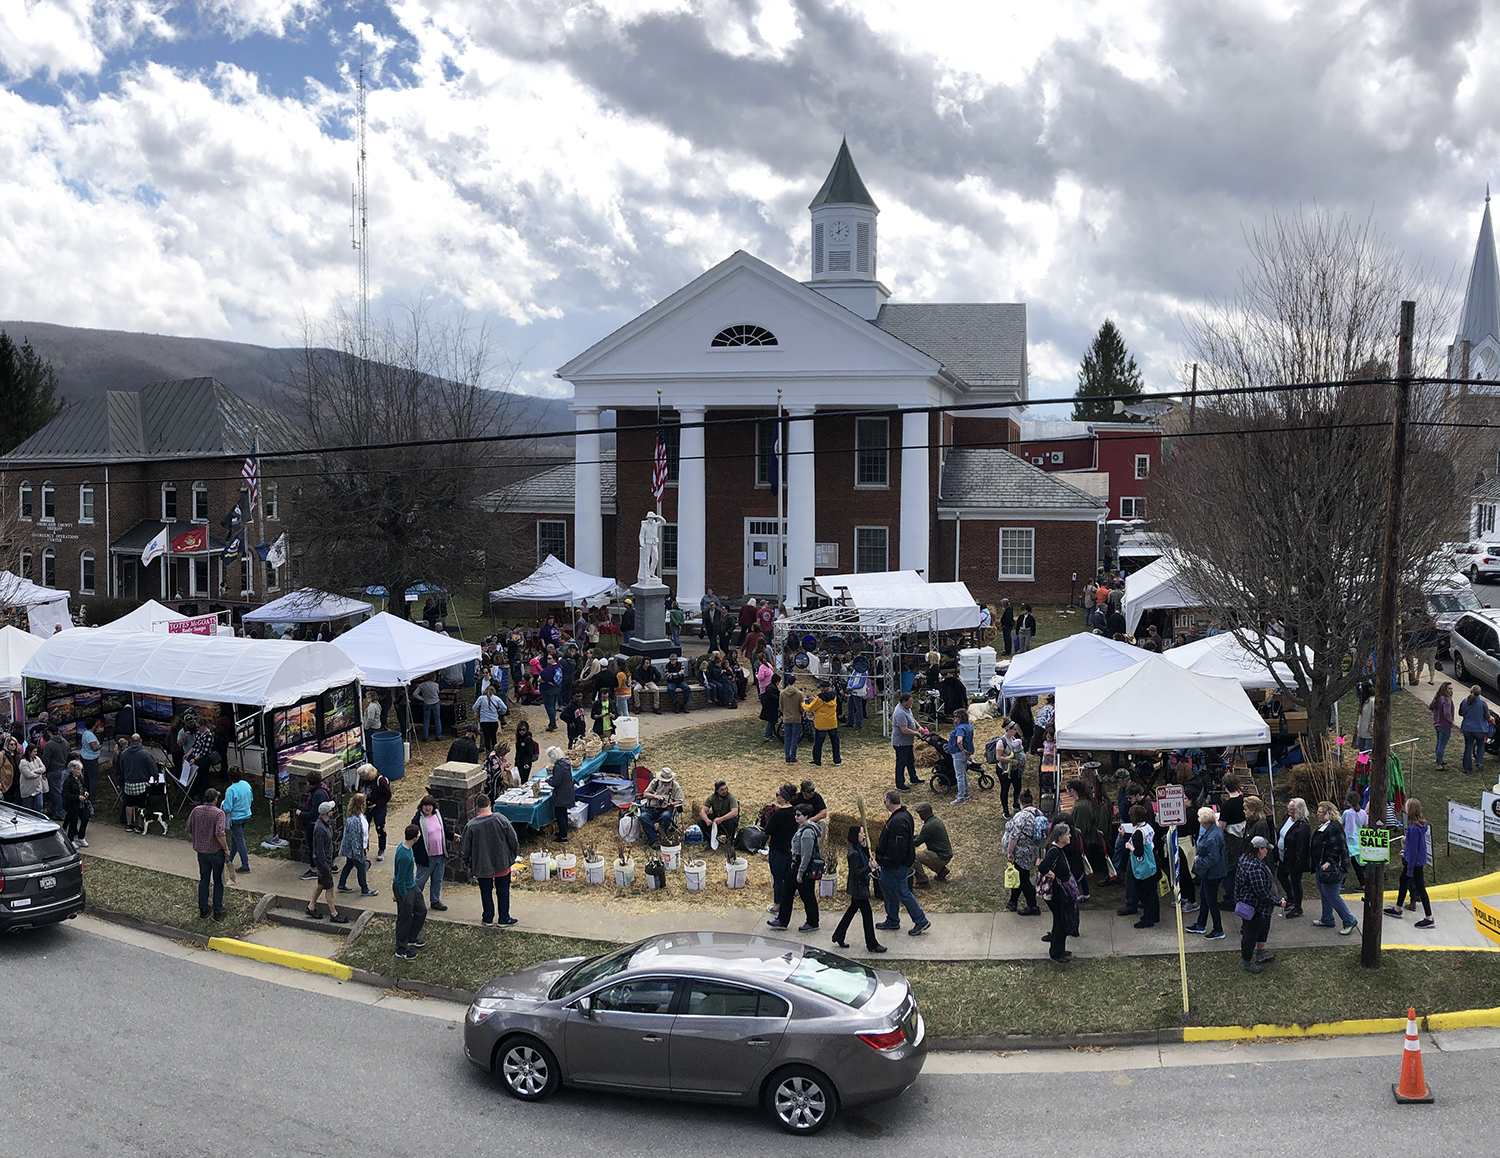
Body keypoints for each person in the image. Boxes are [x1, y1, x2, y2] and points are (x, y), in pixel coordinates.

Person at [875, 790, 930, 936]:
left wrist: (885, 861)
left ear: (889, 802)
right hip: (896, 863)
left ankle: (920, 920)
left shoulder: (898, 821)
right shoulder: (904, 816)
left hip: (896, 865)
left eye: (885, 802)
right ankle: (892, 919)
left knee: (902, 891)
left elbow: (897, 848)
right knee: (889, 890)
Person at [463, 793, 520, 927]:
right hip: (502, 863)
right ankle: (504, 918)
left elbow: (465, 848)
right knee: (503, 892)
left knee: (486, 892)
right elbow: (513, 840)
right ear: (490, 804)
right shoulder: (501, 819)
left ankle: (488, 918)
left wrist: (468, 862)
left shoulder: (471, 826)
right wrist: (512, 856)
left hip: (482, 866)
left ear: (477, 807)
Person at [831, 823, 886, 952]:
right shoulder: (854, 854)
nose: (863, 835)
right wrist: (870, 868)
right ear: (856, 836)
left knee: (851, 910)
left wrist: (866, 846)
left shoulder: (859, 848)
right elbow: (857, 873)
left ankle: (839, 934)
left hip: (858, 886)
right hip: (858, 888)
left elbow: (865, 856)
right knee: (867, 914)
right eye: (861, 833)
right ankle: (872, 943)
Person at [768, 803, 822, 932]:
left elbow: (806, 855)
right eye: (795, 815)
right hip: (797, 864)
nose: (796, 817)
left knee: (807, 895)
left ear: (806, 816)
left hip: (804, 867)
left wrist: (800, 872)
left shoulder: (808, 833)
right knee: (787, 892)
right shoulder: (802, 828)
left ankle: (813, 922)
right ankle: (782, 920)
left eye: (799, 815)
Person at [1312, 800, 1358, 935]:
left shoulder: (1334, 827)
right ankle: (1327, 918)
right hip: (1322, 866)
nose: (1318, 815)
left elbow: (1338, 847)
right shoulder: (1327, 826)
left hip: (1333, 868)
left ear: (1327, 813)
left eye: (1320, 812)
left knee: (1332, 894)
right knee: (1324, 890)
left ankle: (1349, 920)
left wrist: (1329, 862)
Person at [1387, 798, 1434, 928]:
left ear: (1411, 810)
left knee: (1420, 887)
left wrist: (1409, 869)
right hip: (1417, 860)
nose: (1405, 809)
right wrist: (1406, 853)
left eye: (1406, 807)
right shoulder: (1421, 825)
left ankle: (1429, 917)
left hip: (1414, 862)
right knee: (1403, 881)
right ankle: (1397, 908)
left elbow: (1413, 850)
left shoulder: (1413, 829)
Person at [1237, 835, 1282, 973]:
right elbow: (1261, 892)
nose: (1267, 852)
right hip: (1256, 908)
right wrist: (1278, 902)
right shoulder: (1254, 867)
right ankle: (1246, 963)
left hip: (1260, 908)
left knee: (1263, 929)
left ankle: (1261, 953)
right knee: (1250, 935)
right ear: (1260, 849)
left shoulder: (1246, 859)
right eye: (1266, 849)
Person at [185, 787, 230, 920]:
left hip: (201, 852)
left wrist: (197, 839)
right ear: (215, 799)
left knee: (204, 880)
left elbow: (189, 828)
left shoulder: (196, 811)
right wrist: (226, 849)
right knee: (218, 881)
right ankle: (217, 911)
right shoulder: (218, 814)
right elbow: (220, 834)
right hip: (216, 853)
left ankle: (203, 908)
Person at [1187, 806, 1228, 939]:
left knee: (1211, 900)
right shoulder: (1215, 831)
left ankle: (1218, 929)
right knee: (1204, 897)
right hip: (1212, 872)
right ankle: (1201, 924)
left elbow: (1212, 858)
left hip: (1212, 873)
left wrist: (1198, 860)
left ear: (1203, 822)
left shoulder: (1211, 837)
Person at [409, 795, 455, 910]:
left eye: (429, 805)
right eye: (425, 805)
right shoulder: (417, 820)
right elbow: (413, 838)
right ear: (421, 806)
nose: (427, 808)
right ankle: (413, 902)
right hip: (426, 857)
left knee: (437, 879)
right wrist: (417, 855)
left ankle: (435, 901)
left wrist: (453, 836)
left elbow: (444, 829)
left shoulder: (437, 815)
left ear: (433, 806)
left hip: (439, 854)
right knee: (420, 881)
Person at [1038, 822, 1076, 963]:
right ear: (1060, 838)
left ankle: (1059, 949)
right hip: (1057, 893)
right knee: (1061, 922)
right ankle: (1056, 953)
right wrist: (1051, 875)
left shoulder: (1057, 849)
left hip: (1060, 892)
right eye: (1067, 834)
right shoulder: (1054, 851)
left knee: (1060, 920)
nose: (1070, 836)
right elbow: (1042, 867)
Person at [1004, 790, 1045, 914]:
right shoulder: (1038, 813)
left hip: (1022, 853)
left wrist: (1009, 852)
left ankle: (1033, 906)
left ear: (1020, 802)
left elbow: (1013, 837)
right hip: (1033, 851)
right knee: (1020, 875)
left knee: (1023, 879)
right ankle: (1013, 901)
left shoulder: (1021, 816)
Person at [306, 800, 347, 922]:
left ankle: (311, 906)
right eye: (330, 810)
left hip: (325, 862)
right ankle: (334, 914)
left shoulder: (325, 825)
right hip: (323, 863)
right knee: (330, 888)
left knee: (320, 885)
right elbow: (319, 850)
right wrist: (325, 865)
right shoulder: (320, 829)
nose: (332, 812)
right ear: (327, 813)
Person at [392, 823, 427, 960]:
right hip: (405, 889)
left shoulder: (405, 846)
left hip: (411, 886)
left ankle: (411, 937)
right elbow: (399, 879)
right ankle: (401, 948)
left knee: (421, 910)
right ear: (414, 837)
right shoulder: (404, 856)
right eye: (418, 834)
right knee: (404, 918)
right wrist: (403, 895)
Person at [764, 784, 797, 914]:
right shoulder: (794, 811)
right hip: (789, 849)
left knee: (777, 879)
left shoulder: (779, 814)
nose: (776, 796)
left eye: (778, 794)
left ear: (783, 797)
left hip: (777, 849)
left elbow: (768, 830)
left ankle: (777, 904)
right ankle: (787, 902)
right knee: (787, 878)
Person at [1276, 797, 1311, 919]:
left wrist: (1298, 863)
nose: (1289, 811)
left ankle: (1298, 907)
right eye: (1289, 808)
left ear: (1299, 810)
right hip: (1283, 856)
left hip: (1294, 859)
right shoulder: (1287, 818)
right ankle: (1290, 897)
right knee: (1281, 875)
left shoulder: (1303, 826)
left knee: (1296, 882)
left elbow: (1302, 847)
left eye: (1292, 809)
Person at [337, 792, 377, 895]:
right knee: (362, 867)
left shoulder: (361, 815)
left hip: (359, 847)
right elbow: (354, 839)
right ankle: (365, 889)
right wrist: (358, 853)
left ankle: (341, 884)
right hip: (356, 849)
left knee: (349, 864)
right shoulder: (353, 820)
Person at [297, 770, 332, 881]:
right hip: (321, 822)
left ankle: (314, 870)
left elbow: (314, 812)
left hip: (314, 824)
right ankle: (331, 865)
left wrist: (301, 814)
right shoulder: (322, 789)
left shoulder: (317, 794)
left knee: (314, 846)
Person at [638, 767, 683, 846]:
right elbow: (645, 794)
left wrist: (669, 804)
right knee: (643, 817)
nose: (666, 783)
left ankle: (662, 836)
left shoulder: (675, 785)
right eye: (664, 781)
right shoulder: (655, 783)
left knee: (665, 816)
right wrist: (655, 796)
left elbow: (680, 801)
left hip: (666, 809)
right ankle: (654, 840)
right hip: (652, 808)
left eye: (668, 782)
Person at [910, 802, 952, 887]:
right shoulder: (935, 821)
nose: (919, 816)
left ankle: (922, 881)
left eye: (920, 813)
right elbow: (921, 836)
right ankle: (941, 871)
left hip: (941, 856)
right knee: (925, 853)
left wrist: (904, 842)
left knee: (914, 856)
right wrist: (910, 837)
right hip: (944, 853)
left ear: (925, 813)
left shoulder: (929, 826)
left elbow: (917, 842)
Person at [118, 733, 154, 831]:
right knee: (141, 806)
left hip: (129, 783)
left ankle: (129, 824)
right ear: (140, 741)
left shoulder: (124, 753)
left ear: (130, 741)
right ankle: (140, 826)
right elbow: (152, 767)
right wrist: (155, 777)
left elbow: (121, 768)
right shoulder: (145, 754)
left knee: (129, 804)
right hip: (142, 783)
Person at [222, 766, 253, 873]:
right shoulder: (246, 784)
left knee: (240, 841)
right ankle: (229, 859)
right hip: (247, 815)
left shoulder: (230, 790)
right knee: (235, 838)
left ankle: (245, 865)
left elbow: (227, 808)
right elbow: (251, 798)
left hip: (235, 818)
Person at [359, 763, 392, 862]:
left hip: (378, 809)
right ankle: (363, 850)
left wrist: (377, 804)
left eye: (362, 776)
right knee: (364, 829)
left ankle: (381, 849)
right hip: (366, 808)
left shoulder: (380, 781)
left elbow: (388, 795)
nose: (361, 778)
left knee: (380, 828)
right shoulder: (362, 781)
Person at [803, 680, 841, 766]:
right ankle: (837, 760)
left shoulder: (820, 698)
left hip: (821, 723)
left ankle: (817, 760)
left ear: (823, 688)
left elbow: (810, 708)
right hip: (832, 722)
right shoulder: (834, 696)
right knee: (835, 742)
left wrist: (803, 704)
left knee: (818, 743)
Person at [890, 691, 922, 790]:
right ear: (904, 702)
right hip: (901, 743)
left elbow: (912, 718)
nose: (912, 703)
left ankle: (913, 778)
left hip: (907, 742)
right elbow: (904, 730)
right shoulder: (900, 713)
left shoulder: (907, 709)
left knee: (910, 761)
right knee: (901, 763)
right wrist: (916, 733)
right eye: (910, 701)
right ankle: (900, 784)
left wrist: (919, 726)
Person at [698, 779, 740, 849]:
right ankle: (711, 841)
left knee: (731, 821)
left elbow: (734, 812)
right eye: (722, 790)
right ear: (717, 790)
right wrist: (707, 820)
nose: (724, 791)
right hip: (717, 818)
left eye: (725, 789)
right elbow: (702, 811)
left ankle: (729, 842)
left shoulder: (731, 797)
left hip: (727, 819)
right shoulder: (712, 798)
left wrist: (721, 819)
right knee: (701, 822)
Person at [945, 708, 974, 805]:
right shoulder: (969, 726)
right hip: (966, 754)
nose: (954, 719)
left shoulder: (960, 728)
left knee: (960, 776)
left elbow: (959, 740)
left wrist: (961, 749)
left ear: (960, 717)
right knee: (964, 774)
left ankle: (960, 797)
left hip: (958, 754)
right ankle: (965, 792)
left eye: (956, 717)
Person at [1341, 789, 1368, 889]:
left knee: (1345, 862)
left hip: (1348, 840)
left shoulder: (1347, 813)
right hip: (1359, 841)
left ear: (1347, 801)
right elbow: (1365, 825)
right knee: (1357, 864)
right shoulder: (1363, 813)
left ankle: (1341, 882)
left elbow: (1341, 823)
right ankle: (1363, 883)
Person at [548, 745, 575, 843]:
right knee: (563, 813)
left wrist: (549, 781)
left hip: (561, 794)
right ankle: (563, 831)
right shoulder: (566, 764)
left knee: (560, 815)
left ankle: (563, 836)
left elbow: (556, 782)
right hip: (567, 792)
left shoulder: (558, 767)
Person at [42, 726, 70, 819]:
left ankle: (59, 813)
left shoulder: (49, 744)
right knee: (58, 791)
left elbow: (46, 759)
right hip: (62, 769)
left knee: (56, 792)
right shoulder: (65, 742)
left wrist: (44, 770)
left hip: (53, 770)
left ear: (49, 732)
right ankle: (54, 810)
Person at [62, 759, 90, 847]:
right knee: (73, 822)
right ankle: (71, 839)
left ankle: (81, 837)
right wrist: (77, 797)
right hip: (73, 805)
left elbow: (83, 787)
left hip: (81, 804)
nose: (79, 771)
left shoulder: (80, 778)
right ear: (73, 770)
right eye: (78, 770)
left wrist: (85, 791)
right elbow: (66, 795)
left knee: (85, 818)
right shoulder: (68, 781)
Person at [473, 686, 507, 751]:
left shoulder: (481, 698)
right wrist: (499, 712)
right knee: (493, 736)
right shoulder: (497, 699)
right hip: (494, 720)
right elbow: (504, 708)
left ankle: (488, 751)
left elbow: (474, 707)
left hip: (484, 720)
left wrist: (479, 711)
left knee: (486, 736)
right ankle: (495, 750)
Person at [779, 675, 804, 763]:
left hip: (786, 717)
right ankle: (793, 756)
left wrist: (784, 713)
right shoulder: (799, 694)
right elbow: (801, 707)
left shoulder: (782, 693)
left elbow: (781, 706)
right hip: (796, 717)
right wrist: (801, 713)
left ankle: (787, 756)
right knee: (794, 738)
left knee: (787, 738)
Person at [1431, 681, 1455, 770]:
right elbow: (1447, 714)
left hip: (1437, 724)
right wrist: (1451, 722)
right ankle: (1439, 764)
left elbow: (1431, 707)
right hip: (1445, 725)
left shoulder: (1438, 698)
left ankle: (1439, 759)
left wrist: (1437, 714)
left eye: (1452, 689)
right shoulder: (1447, 701)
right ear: (1445, 689)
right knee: (1442, 745)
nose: (1451, 691)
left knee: (1439, 743)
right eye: (1449, 689)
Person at [18, 742, 46, 813]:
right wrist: (39, 774)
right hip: (28, 789)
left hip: (38, 788)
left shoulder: (37, 759)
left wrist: (35, 771)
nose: (36, 753)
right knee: (29, 810)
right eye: (34, 752)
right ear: (29, 752)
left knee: (40, 807)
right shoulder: (23, 762)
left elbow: (43, 768)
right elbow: (29, 775)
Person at [413, 676, 442, 741]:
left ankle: (425, 736)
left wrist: (422, 699)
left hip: (427, 703)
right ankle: (438, 736)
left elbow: (415, 694)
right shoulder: (436, 685)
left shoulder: (422, 685)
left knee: (426, 720)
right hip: (436, 703)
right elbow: (438, 692)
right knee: (437, 720)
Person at [80, 717, 101, 803]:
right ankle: (92, 797)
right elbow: (94, 747)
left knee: (87, 778)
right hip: (91, 759)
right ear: (93, 725)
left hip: (85, 757)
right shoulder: (90, 735)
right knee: (93, 779)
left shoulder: (85, 733)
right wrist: (100, 746)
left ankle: (86, 793)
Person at [759, 671, 782, 742]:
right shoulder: (772, 688)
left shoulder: (770, 686)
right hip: (771, 708)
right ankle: (767, 735)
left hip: (770, 707)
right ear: (777, 681)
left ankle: (770, 733)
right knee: (771, 721)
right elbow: (773, 696)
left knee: (772, 721)